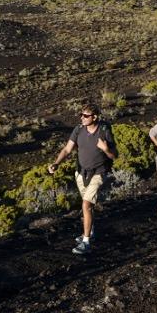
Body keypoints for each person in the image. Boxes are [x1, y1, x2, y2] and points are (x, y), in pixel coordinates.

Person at [48, 104, 117, 255]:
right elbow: (67, 149)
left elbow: (114, 155)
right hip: (80, 173)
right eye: (81, 115)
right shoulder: (78, 130)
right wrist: (56, 163)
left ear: (95, 117)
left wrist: (105, 149)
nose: (82, 118)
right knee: (88, 206)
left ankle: (86, 242)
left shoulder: (104, 132)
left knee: (86, 205)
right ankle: (90, 231)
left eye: (86, 116)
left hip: (98, 173)